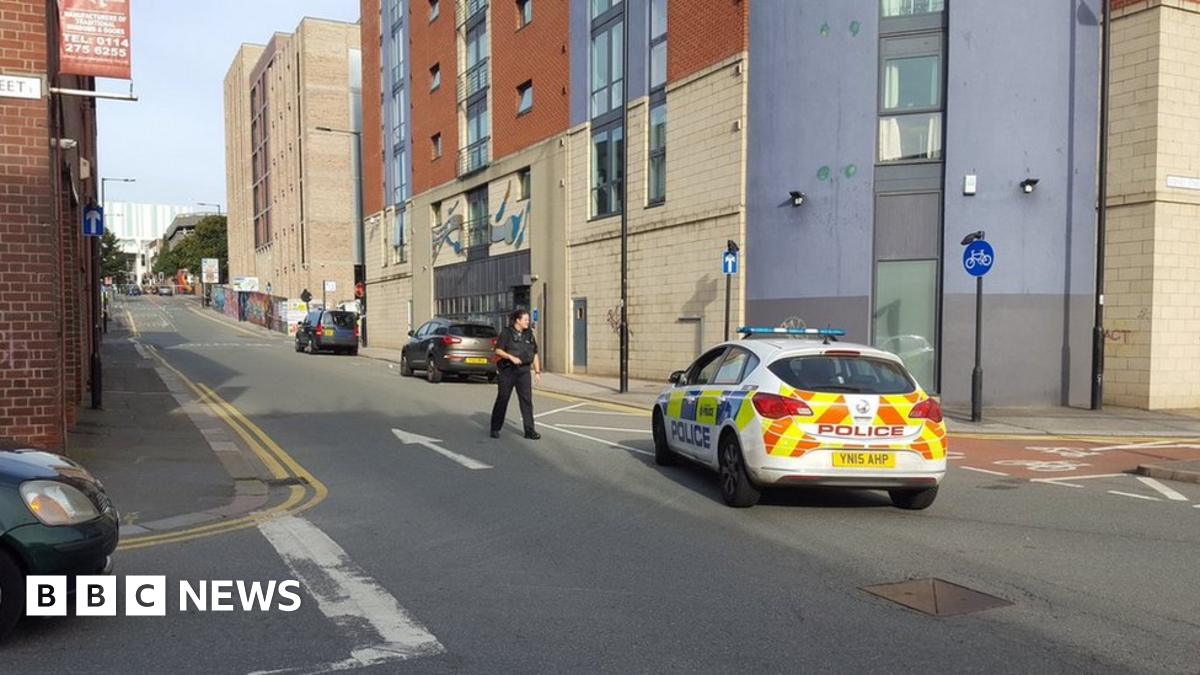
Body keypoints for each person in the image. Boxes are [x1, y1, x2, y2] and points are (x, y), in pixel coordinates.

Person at [490, 308, 541, 440]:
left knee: (527, 401)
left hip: (524, 371)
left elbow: (534, 353)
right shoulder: (506, 333)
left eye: (528, 320)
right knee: (503, 398)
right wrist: (510, 357)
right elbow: (498, 351)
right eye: (525, 320)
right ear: (518, 320)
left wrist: (537, 372)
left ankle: (529, 430)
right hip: (508, 371)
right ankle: (495, 428)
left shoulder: (529, 334)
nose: (528, 322)